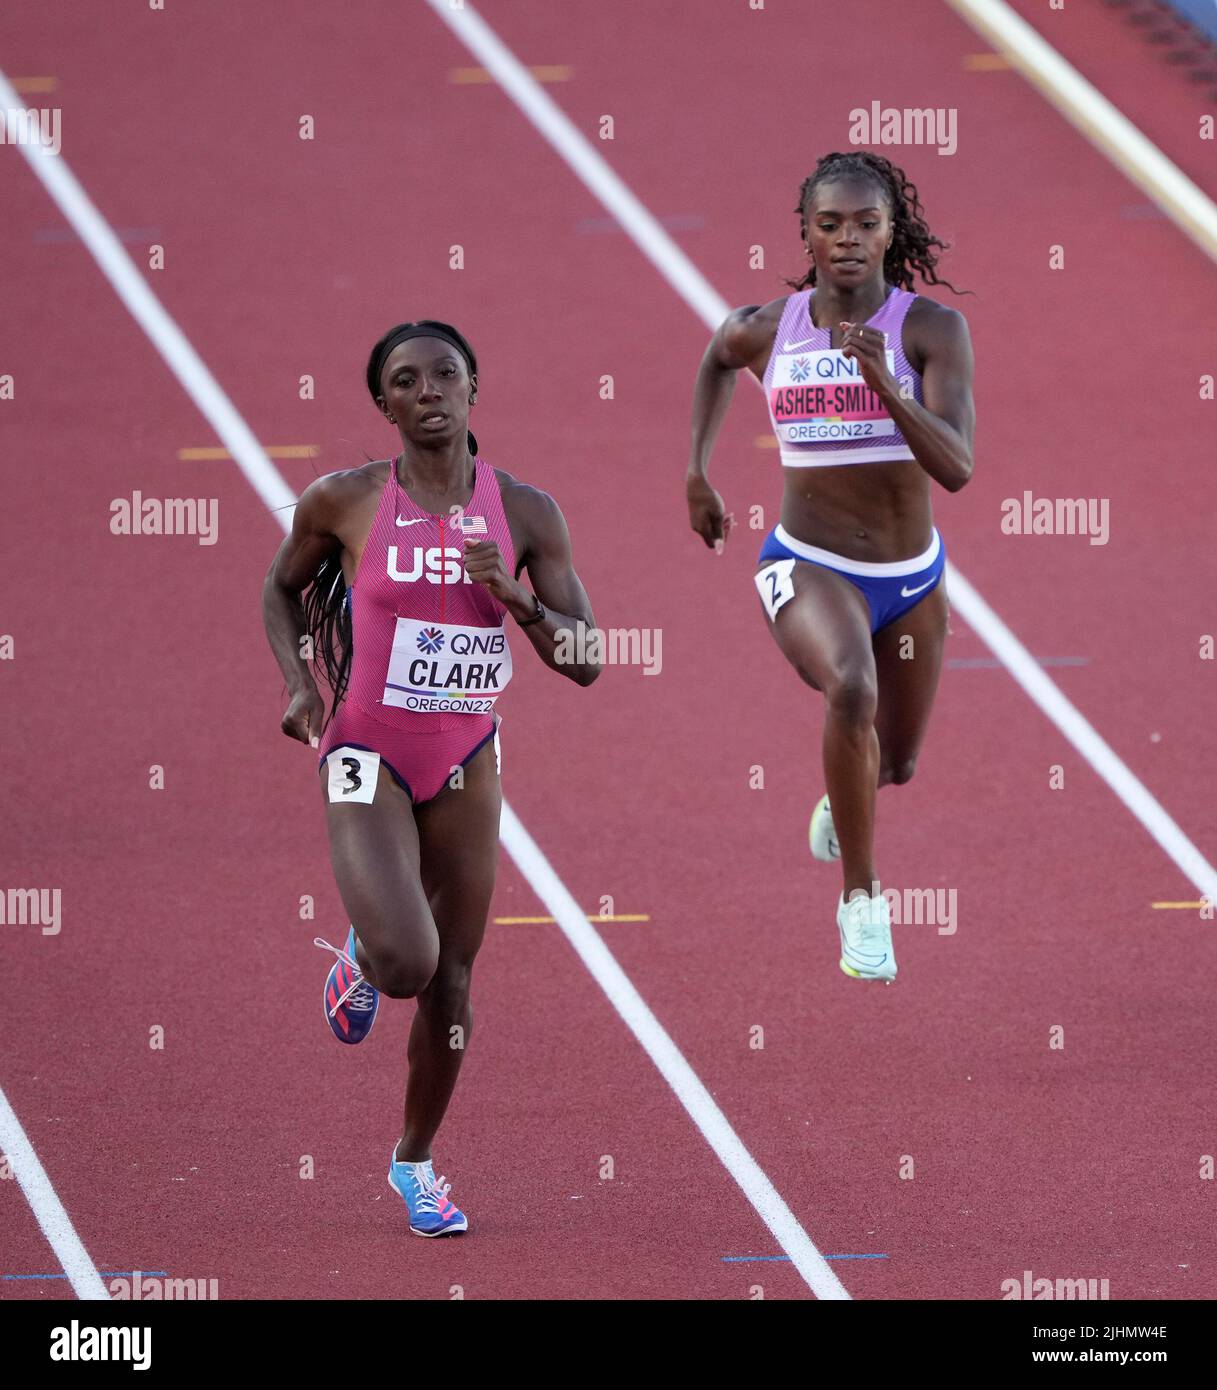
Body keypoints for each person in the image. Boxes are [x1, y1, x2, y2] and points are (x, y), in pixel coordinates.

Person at [263, 320, 599, 1234]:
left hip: (465, 760)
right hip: (363, 752)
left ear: (473, 388)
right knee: (408, 962)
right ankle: (367, 956)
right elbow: (280, 587)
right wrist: (300, 686)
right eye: (405, 381)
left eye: (445, 374)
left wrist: (518, 599)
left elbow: (588, 658)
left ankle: (414, 1163)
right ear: (385, 404)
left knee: (452, 982)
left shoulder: (526, 512)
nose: (428, 390)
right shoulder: (344, 501)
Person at [686, 152, 975, 982]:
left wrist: (886, 385)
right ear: (805, 233)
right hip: (807, 563)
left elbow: (955, 468)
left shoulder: (929, 331)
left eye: (865, 223)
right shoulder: (770, 327)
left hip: (911, 577)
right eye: (829, 224)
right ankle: (862, 904)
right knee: (851, 685)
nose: (847, 239)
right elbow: (714, 357)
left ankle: (847, 791)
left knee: (900, 762)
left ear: (891, 232)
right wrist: (697, 472)